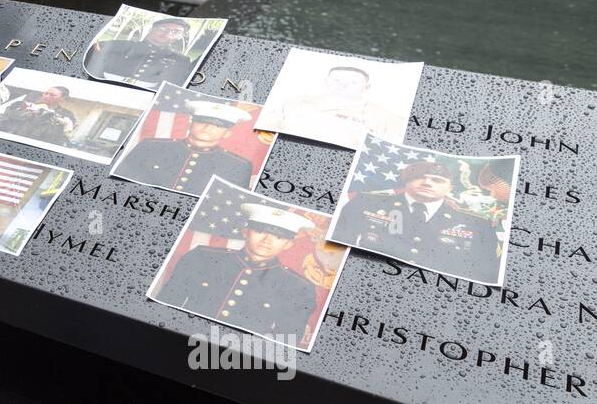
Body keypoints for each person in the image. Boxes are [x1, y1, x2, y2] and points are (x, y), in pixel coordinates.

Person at [155, 204, 318, 339]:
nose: (267, 241)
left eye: (278, 237)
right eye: (260, 231)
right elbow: (164, 306)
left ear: (288, 244)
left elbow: (285, 342)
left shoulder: (298, 287)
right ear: (245, 232)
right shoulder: (203, 258)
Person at [331, 160, 501, 279]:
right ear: (406, 182)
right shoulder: (365, 203)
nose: (427, 183)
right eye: (419, 178)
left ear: (450, 188)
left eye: (437, 180)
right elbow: (337, 243)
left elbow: (484, 272)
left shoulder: (478, 224)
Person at [116, 101, 254, 192]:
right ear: (190, 124)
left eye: (218, 125)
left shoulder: (238, 165)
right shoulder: (151, 147)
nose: (208, 127)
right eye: (202, 121)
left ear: (227, 133)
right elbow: (120, 181)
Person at [267, 64, 407, 145]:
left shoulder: (384, 117)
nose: (343, 85)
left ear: (367, 87)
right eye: (337, 80)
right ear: (327, 82)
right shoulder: (296, 102)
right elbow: (269, 126)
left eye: (353, 82)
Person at [85, 17, 194, 88]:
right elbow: (94, 56)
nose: (168, 33)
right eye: (163, 28)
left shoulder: (181, 61)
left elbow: (171, 87)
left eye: (176, 32)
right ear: (152, 29)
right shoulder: (116, 45)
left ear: (180, 37)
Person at [0, 86, 78, 146]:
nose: (47, 96)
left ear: (62, 98)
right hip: (13, 139)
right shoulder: (24, 105)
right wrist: (28, 113)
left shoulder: (66, 115)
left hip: (39, 144)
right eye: (45, 93)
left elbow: (64, 133)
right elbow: (8, 115)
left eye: (52, 95)